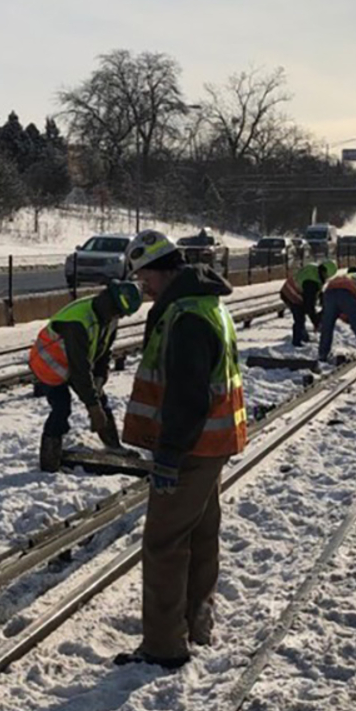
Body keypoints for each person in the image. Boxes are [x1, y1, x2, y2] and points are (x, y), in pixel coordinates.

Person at [116, 229, 245, 670]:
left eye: (145, 277)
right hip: (210, 444)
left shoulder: (186, 317)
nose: (144, 287)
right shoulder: (206, 304)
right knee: (201, 536)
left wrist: (169, 453)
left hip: (190, 448)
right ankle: (197, 625)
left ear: (165, 270)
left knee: (164, 543)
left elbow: (188, 395)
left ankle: (164, 646)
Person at [29, 279, 144, 471]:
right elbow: (79, 369)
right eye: (119, 313)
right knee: (61, 407)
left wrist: (100, 377)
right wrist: (93, 407)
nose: (120, 317)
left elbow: (104, 350)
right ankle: (49, 457)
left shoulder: (109, 318)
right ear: (111, 304)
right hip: (50, 365)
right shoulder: (78, 322)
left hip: (73, 363)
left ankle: (113, 446)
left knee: (99, 398)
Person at [317, 265, 356, 363]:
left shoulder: (342, 277)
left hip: (329, 293)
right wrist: (351, 316)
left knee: (327, 327)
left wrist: (337, 312)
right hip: (347, 295)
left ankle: (322, 354)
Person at [279, 259, 337, 347]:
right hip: (291, 294)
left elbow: (315, 291)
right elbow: (309, 305)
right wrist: (315, 321)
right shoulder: (312, 282)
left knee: (301, 312)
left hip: (288, 288)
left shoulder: (313, 269)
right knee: (299, 317)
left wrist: (321, 299)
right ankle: (297, 343)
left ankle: (303, 337)